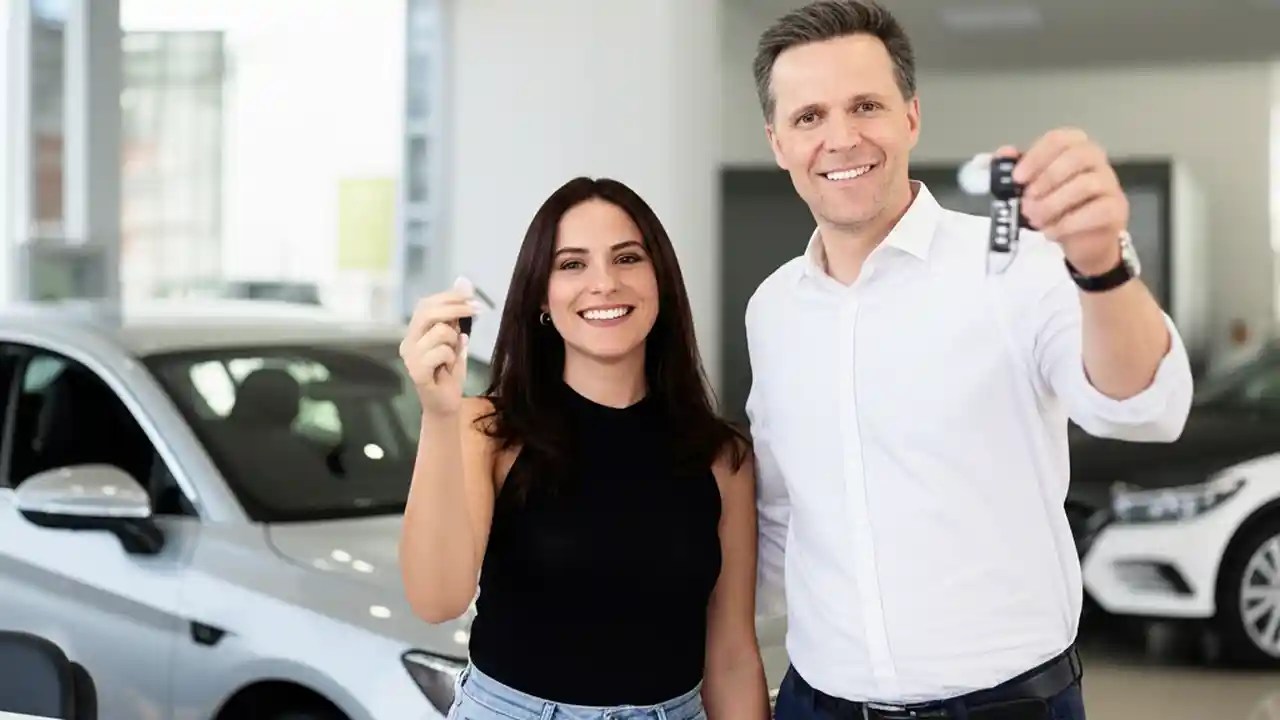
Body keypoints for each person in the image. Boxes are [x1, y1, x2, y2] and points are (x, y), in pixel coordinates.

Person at [743, 2, 1194, 719]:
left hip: (1007, 707)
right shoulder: (773, 309)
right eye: (809, 117)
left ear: (911, 116)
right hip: (817, 702)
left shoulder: (1023, 266)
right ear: (777, 141)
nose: (841, 137)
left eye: (866, 106)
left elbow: (1147, 408)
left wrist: (1101, 265)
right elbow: (779, 514)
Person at [398, 176, 771, 720]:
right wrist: (438, 413)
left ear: (661, 282)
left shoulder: (722, 456)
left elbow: (732, 656)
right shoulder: (487, 430)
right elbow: (436, 600)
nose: (604, 283)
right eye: (572, 264)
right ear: (542, 297)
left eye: (627, 258)